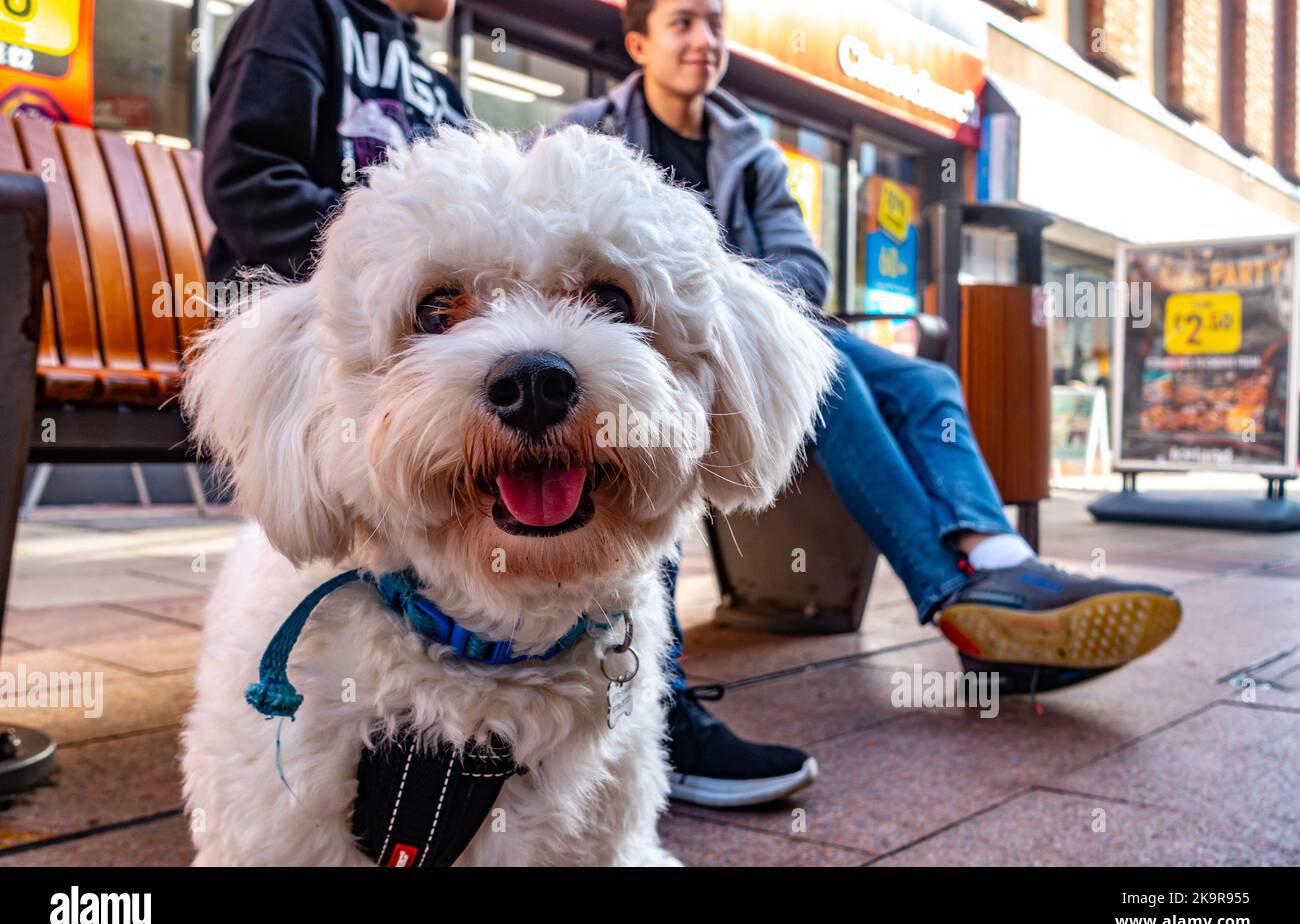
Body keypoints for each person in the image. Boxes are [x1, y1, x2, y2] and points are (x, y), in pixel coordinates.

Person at [559, 0, 1182, 809]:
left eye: (715, 22)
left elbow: (803, 265)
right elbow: (559, 259)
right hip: (649, 346)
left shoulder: (749, 145)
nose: (704, 39)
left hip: (757, 332)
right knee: (833, 377)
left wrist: (742, 311)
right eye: (682, 23)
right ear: (639, 42)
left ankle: (996, 562)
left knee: (926, 382)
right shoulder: (585, 136)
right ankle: (952, 599)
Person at [202, 0, 467, 283]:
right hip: (294, 299)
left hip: (420, 302)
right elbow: (248, 185)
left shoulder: (441, 89)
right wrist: (392, 254)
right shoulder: (298, 12)